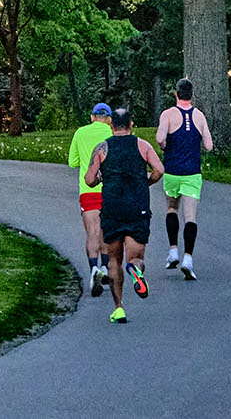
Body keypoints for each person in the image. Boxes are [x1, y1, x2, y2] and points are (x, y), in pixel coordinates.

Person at [83, 107, 164, 323]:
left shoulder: (102, 148)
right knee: (135, 258)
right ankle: (135, 271)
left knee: (114, 260)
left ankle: (118, 308)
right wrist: (146, 181)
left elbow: (89, 180)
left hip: (112, 208)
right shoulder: (142, 145)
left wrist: (101, 179)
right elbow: (159, 170)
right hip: (138, 207)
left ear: (111, 126)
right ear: (131, 125)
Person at [156, 77, 214, 280]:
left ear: (176, 94)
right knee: (190, 217)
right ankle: (188, 258)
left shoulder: (168, 114)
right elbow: (209, 145)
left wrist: (164, 147)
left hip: (172, 171)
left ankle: (173, 251)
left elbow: (160, 138)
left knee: (171, 208)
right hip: (192, 173)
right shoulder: (199, 116)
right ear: (192, 95)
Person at [68, 103, 116, 296]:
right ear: (110, 119)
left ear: (92, 117)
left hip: (88, 189)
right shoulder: (112, 135)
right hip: (109, 189)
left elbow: (72, 162)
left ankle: (93, 269)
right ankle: (105, 267)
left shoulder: (80, 133)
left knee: (92, 230)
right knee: (105, 229)